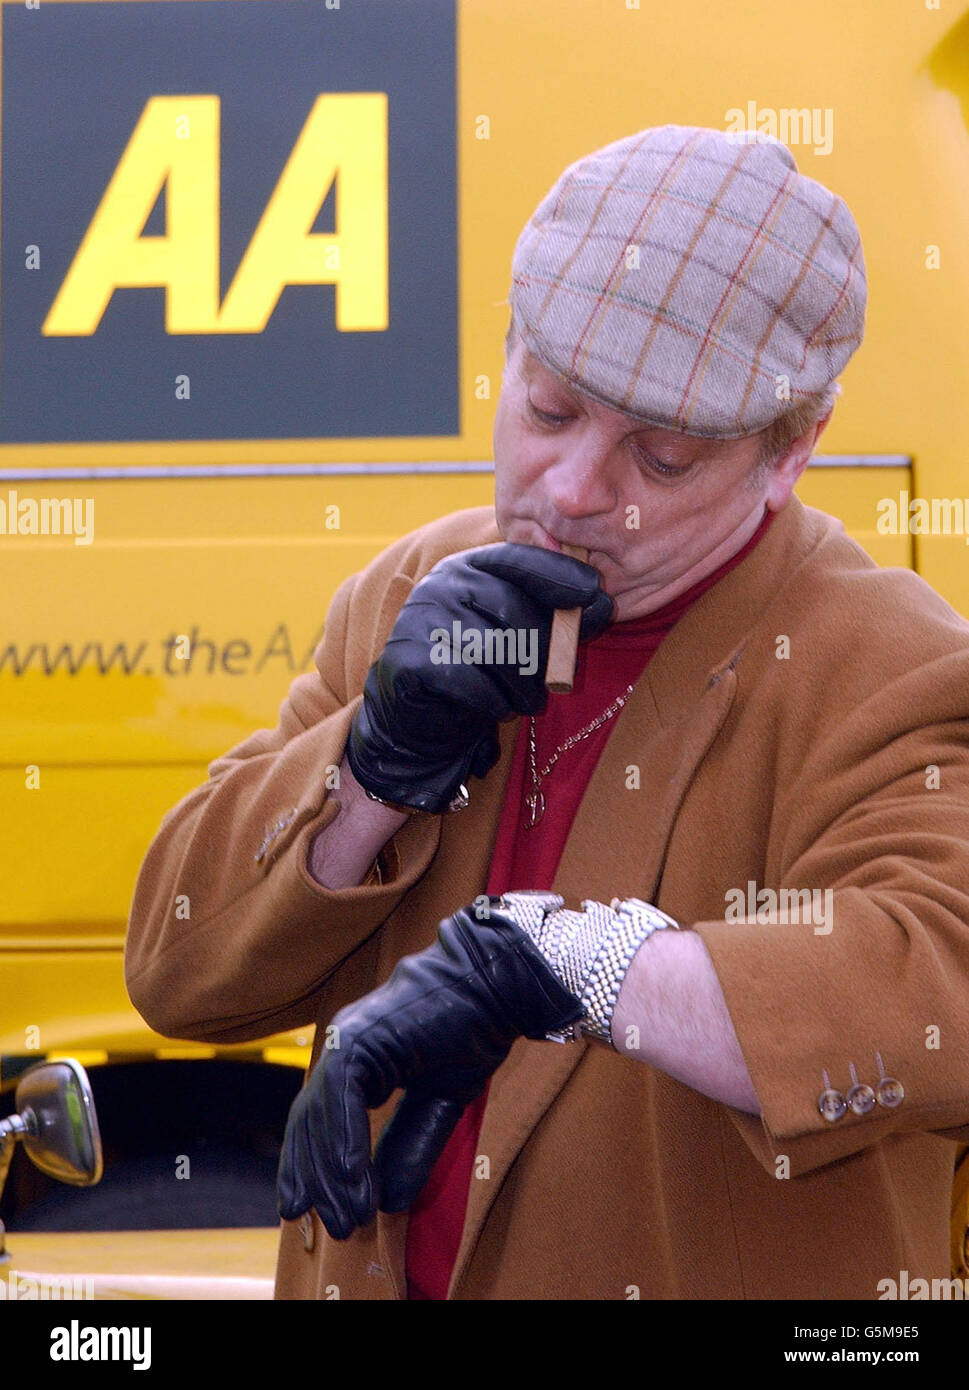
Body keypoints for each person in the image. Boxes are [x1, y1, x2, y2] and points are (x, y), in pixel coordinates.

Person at [125, 125, 969, 1301]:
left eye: (662, 457)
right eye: (551, 406)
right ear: (508, 353)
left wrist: (575, 965)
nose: (573, 489)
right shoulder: (411, 593)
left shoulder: (886, 664)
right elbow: (177, 975)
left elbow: (940, 989)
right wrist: (367, 775)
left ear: (793, 450)